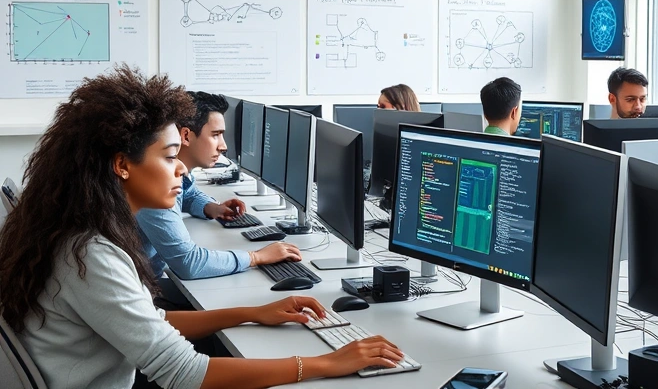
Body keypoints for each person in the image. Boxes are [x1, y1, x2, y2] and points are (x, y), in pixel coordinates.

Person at [0, 66, 404, 389]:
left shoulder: (83, 228)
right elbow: (184, 374)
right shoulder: (90, 255)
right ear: (122, 165)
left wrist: (252, 313)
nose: (180, 168)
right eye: (170, 155)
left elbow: (150, 321)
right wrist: (325, 363)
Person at [135, 91, 300, 308]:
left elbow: (189, 192)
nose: (223, 146)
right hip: (142, 294)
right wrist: (255, 257)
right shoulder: (155, 185)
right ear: (185, 136)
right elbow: (188, 263)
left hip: (147, 285)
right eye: (216, 134)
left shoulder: (175, 173)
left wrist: (211, 207)